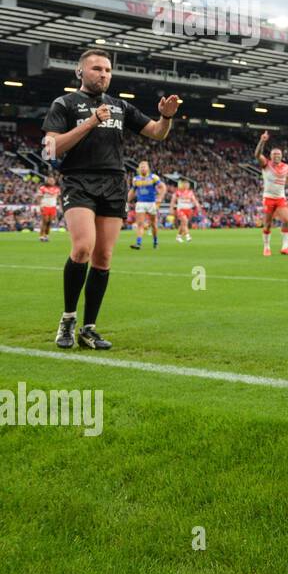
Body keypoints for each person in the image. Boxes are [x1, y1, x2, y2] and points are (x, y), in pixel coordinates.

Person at [40, 47, 181, 349]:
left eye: (107, 70)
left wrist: (166, 117)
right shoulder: (63, 104)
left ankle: (88, 328)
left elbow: (157, 133)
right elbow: (50, 150)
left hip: (114, 183)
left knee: (103, 257)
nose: (103, 74)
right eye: (96, 69)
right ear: (80, 72)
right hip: (79, 180)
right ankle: (67, 319)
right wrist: (90, 122)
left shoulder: (120, 107)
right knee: (82, 249)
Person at [254, 131, 288, 256]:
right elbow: (257, 154)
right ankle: (266, 247)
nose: (277, 155)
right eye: (274, 153)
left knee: (286, 219)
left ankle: (285, 247)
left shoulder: (286, 167)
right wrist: (262, 141)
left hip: (280, 198)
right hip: (268, 198)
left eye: (279, 154)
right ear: (270, 156)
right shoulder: (266, 164)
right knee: (267, 225)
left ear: (281, 155)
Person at [127, 159, 166, 250]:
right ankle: (138, 243)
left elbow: (163, 187)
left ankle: (155, 242)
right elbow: (133, 191)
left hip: (151, 203)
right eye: (141, 167)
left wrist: (159, 198)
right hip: (140, 203)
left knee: (153, 224)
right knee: (140, 224)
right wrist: (127, 200)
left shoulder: (153, 177)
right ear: (139, 169)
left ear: (148, 168)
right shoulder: (136, 179)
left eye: (144, 167)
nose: (143, 169)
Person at [36, 176, 60, 242]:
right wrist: (40, 205)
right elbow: (38, 197)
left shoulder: (57, 189)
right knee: (45, 221)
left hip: (53, 206)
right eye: (50, 180)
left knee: (49, 222)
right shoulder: (42, 188)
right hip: (45, 206)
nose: (52, 181)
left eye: (53, 180)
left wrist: (60, 206)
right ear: (47, 181)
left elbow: (58, 198)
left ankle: (46, 235)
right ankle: (41, 236)